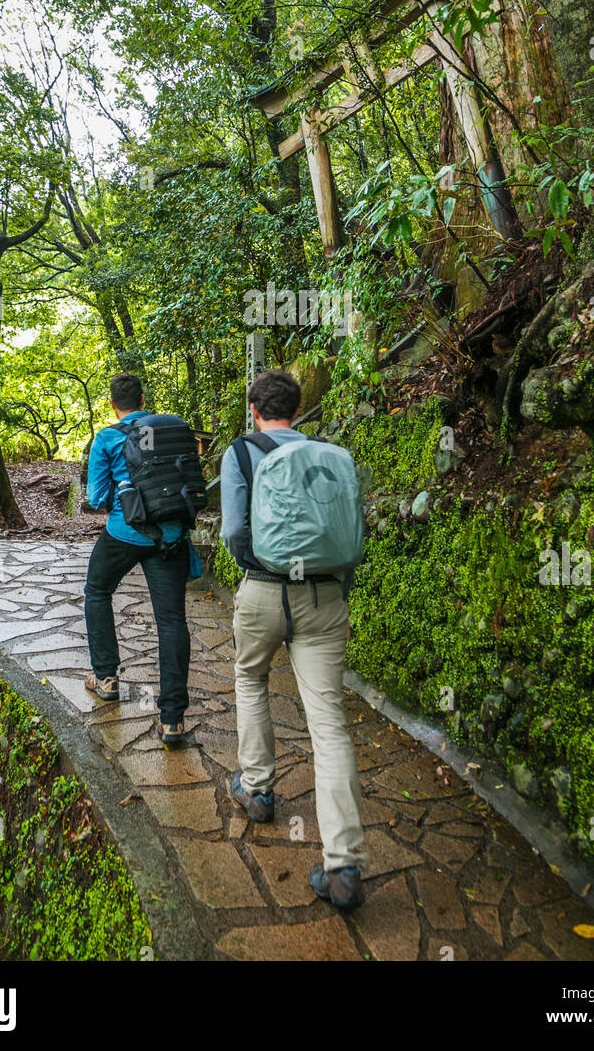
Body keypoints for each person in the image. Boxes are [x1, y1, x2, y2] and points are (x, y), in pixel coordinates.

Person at [220, 368, 369, 910]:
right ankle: (344, 864)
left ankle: (257, 789)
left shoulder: (240, 453)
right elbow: (349, 529)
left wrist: (257, 569)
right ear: (298, 412)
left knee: (250, 677)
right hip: (324, 596)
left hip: (262, 592)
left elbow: (234, 530)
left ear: (255, 411)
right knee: (328, 721)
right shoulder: (327, 455)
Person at [83, 373, 202, 745]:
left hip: (124, 533)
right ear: (144, 398)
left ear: (111, 404)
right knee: (170, 621)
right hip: (169, 537)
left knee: (97, 591)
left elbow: (95, 496)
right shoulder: (168, 430)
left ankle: (106, 678)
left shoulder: (107, 437)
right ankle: (172, 720)